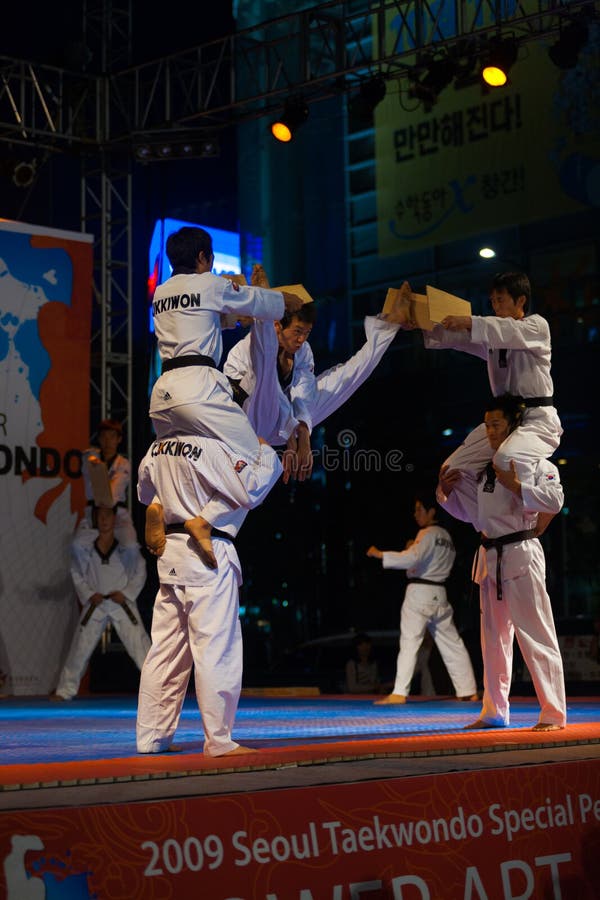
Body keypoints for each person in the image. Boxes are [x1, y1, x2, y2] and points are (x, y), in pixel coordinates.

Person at [148, 226, 302, 563]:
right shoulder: (210, 283)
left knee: (173, 457)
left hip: (163, 396)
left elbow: (201, 320)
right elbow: (255, 300)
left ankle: (158, 503)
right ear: (203, 258)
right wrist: (284, 301)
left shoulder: (161, 293)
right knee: (262, 462)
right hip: (199, 390)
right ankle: (207, 520)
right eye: (211, 258)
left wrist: (235, 315)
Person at [136, 431, 282, 757]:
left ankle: (151, 738)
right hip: (208, 552)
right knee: (216, 648)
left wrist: (161, 501)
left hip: (170, 551)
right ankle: (219, 741)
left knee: (166, 652)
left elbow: (144, 491)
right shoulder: (219, 443)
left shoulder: (158, 445)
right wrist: (263, 447)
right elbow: (251, 487)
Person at [438, 394, 566, 732]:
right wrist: (446, 492)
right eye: (488, 426)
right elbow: (471, 515)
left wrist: (518, 485)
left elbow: (555, 499)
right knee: (493, 641)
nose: (491, 432)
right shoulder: (483, 472)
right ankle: (495, 711)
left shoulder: (537, 462)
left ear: (513, 425)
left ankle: (553, 713)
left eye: (496, 425)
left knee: (536, 634)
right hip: (489, 555)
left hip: (521, 552)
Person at [223, 266, 410, 482]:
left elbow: (303, 397)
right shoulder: (242, 352)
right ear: (277, 325)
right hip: (252, 422)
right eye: (297, 332)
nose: (301, 339)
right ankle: (262, 304)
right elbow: (247, 400)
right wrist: (292, 432)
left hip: (287, 421)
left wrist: (302, 433)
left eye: (306, 333)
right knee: (264, 366)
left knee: (348, 377)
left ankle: (391, 323)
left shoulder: (303, 351)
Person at [409, 272, 562, 536]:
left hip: (537, 421)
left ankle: (528, 519)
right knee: (452, 470)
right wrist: (420, 322)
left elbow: (503, 330)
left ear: (520, 300)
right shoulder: (494, 339)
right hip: (504, 422)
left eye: (501, 300)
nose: (495, 306)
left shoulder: (537, 327)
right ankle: (489, 524)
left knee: (504, 457)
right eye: (492, 302)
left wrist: (470, 321)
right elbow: (460, 338)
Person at [366, 494, 478, 705]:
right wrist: (412, 550)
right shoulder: (447, 538)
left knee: (410, 640)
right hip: (440, 593)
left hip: (419, 592)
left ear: (432, 511)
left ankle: (399, 692)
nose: (416, 514)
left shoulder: (426, 533)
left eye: (420, 510)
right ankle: (468, 689)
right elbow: (424, 559)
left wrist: (381, 554)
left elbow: (413, 558)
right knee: (452, 642)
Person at [50, 504, 150, 701]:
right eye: (99, 516)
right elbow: (76, 572)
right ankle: (64, 691)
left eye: (108, 515)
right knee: (80, 648)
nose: (103, 519)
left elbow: (141, 570)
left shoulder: (126, 548)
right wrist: (88, 594)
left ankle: (160, 690)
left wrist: (127, 593)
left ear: (115, 519)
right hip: (96, 603)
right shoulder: (85, 548)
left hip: (121, 602)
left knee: (141, 647)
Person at [80, 418, 138, 546]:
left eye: (112, 436)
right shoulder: (89, 457)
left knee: (131, 547)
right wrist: (94, 463)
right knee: (77, 546)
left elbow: (112, 495)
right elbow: (88, 461)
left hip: (117, 515)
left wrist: (99, 473)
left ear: (119, 439)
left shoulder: (123, 464)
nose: (107, 441)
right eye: (104, 436)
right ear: (99, 439)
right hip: (93, 513)